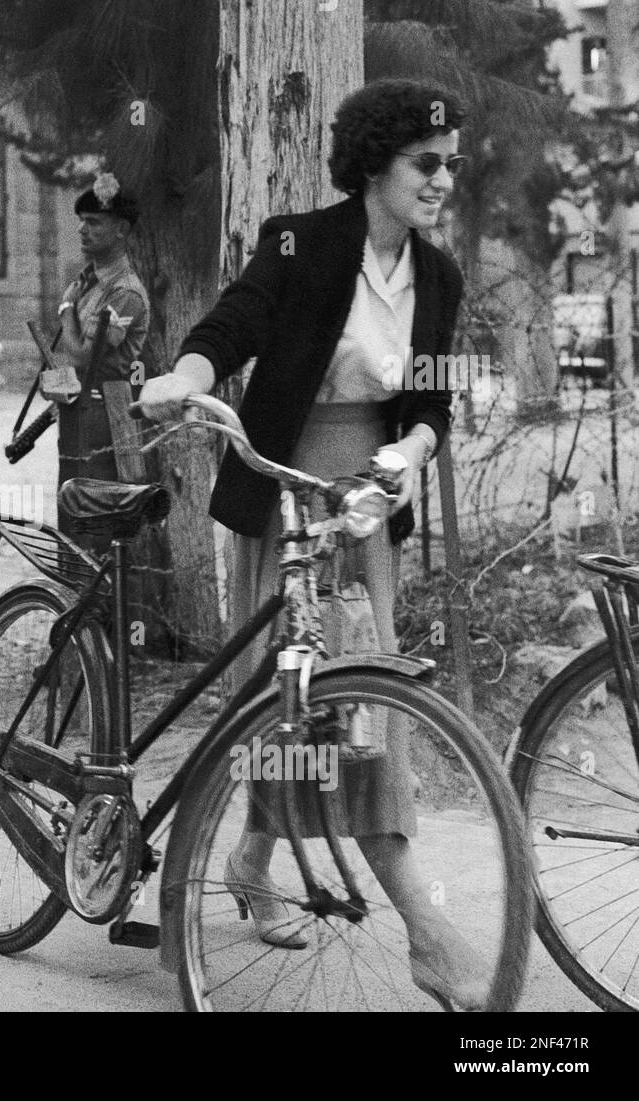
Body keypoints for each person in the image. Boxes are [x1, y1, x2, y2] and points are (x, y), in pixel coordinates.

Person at [139, 79, 482, 1008]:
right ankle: (411, 921)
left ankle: (257, 861)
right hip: (285, 482)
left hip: (369, 499)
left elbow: (433, 401)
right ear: (376, 162)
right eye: (427, 163)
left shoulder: (438, 278)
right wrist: (187, 376)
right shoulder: (301, 239)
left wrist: (409, 453)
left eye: (453, 165)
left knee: (359, 711)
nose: (443, 180)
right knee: (282, 699)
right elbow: (235, 322)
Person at [53, 174, 150, 535]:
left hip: (105, 415)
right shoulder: (90, 284)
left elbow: (82, 357)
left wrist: (66, 307)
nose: (82, 230)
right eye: (81, 221)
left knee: (97, 520)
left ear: (121, 229)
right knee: (70, 510)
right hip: (80, 411)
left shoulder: (125, 292)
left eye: (93, 222)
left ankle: (103, 591)